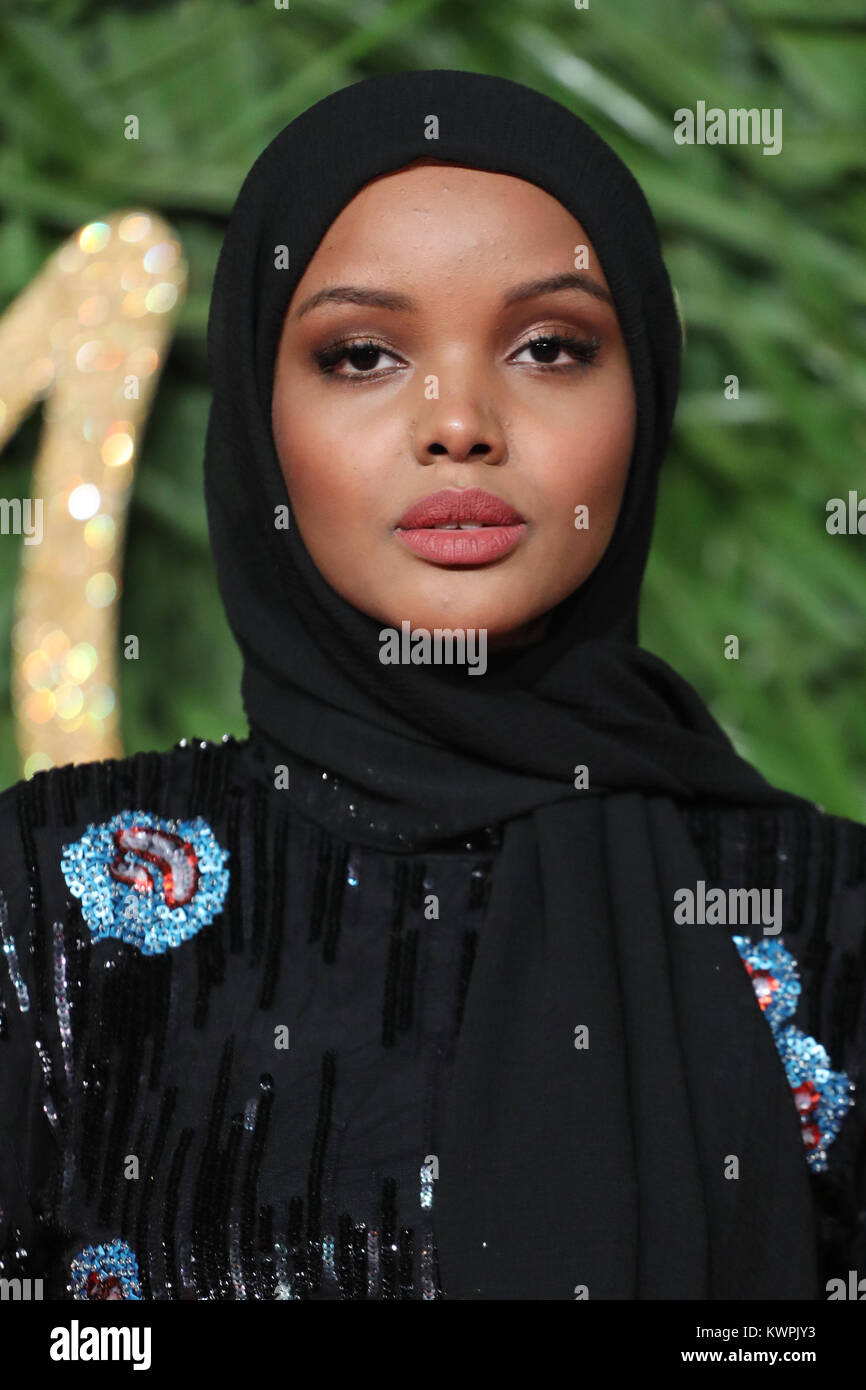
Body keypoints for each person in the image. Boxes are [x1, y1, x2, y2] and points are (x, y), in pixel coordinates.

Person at [1, 68, 864, 1302]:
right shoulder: (46, 904)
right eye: (360, 353)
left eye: (549, 346)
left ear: (646, 396)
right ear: (259, 413)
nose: (457, 421)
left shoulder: (827, 924)